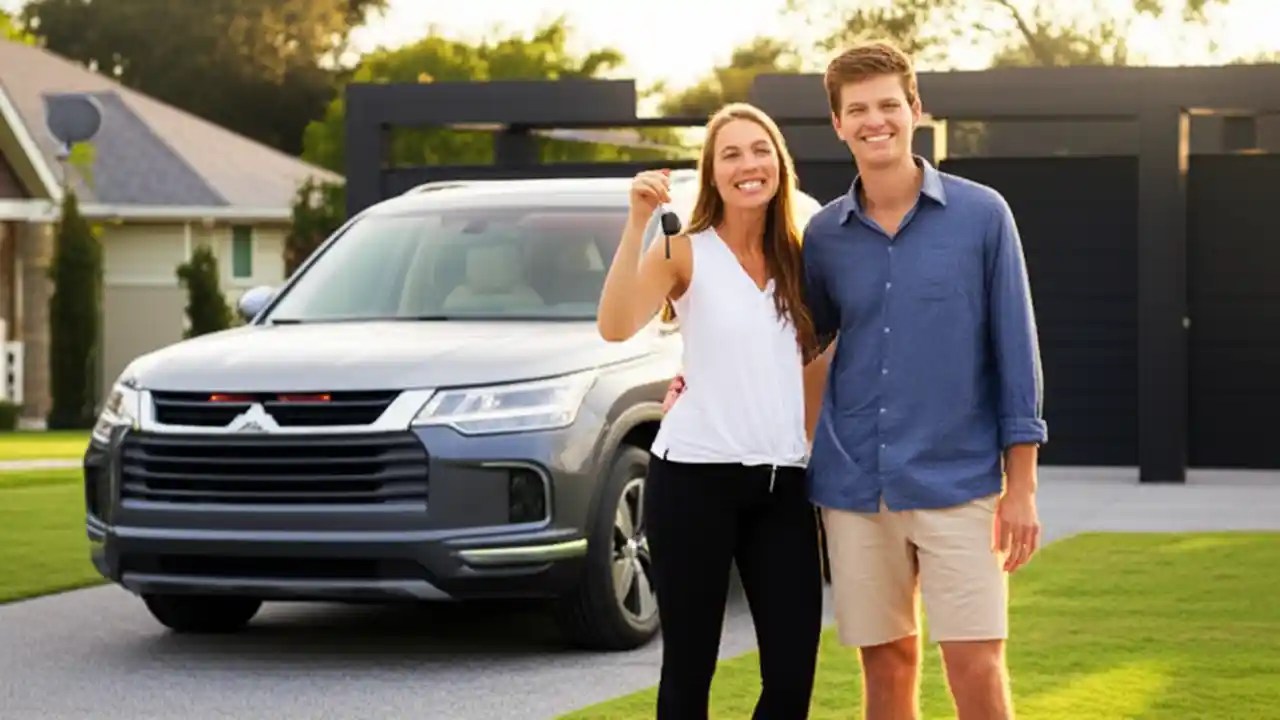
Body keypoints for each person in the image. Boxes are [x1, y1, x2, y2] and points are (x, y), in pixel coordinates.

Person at [665, 41, 1047, 720]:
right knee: (887, 665)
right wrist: (700, 382)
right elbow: (788, 341)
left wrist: (1022, 487)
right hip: (854, 491)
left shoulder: (983, 217)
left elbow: (1018, 356)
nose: (876, 121)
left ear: (915, 110)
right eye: (858, 110)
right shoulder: (824, 238)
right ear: (838, 124)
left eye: (889, 105)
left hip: (958, 483)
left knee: (977, 665)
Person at [597, 102, 830, 720]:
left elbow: (813, 367)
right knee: (688, 675)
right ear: (712, 171)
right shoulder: (683, 248)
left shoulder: (803, 256)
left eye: (760, 150)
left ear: (780, 163)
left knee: (790, 678)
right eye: (731, 154)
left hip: (783, 486)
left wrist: (806, 447)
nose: (748, 165)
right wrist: (637, 221)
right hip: (693, 481)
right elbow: (616, 325)